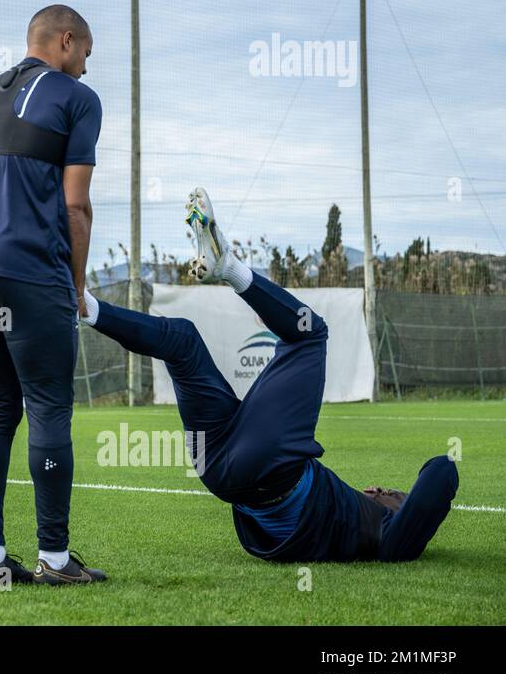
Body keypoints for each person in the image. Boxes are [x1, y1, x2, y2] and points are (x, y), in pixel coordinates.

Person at [80, 187, 458, 563]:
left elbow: (442, 470)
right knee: (182, 341)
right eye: (388, 489)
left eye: (390, 493)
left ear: (403, 516)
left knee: (310, 335)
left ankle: (228, 266)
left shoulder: (387, 538)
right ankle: (83, 305)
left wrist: (407, 512)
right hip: (215, 468)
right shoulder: (354, 525)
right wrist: (398, 501)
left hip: (266, 467)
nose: (377, 488)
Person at [0, 5, 106, 586]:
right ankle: (55, 561)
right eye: (86, 54)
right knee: (48, 408)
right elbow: (75, 204)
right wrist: (77, 283)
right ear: (66, 41)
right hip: (30, 272)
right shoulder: (74, 96)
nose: (87, 69)